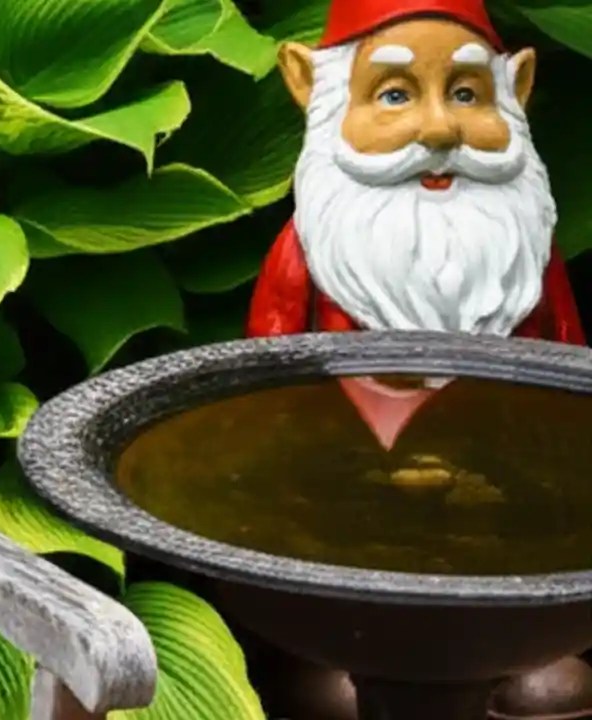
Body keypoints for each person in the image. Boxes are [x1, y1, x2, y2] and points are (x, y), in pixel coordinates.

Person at [245, 0, 590, 716]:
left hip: (503, 538)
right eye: (396, 95)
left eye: (466, 93)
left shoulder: (525, 258)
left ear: (516, 89)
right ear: (309, 86)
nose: (437, 130)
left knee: (551, 688)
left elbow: (570, 394)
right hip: (350, 539)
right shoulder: (307, 260)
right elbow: (260, 410)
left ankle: (513, 647)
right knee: (329, 689)